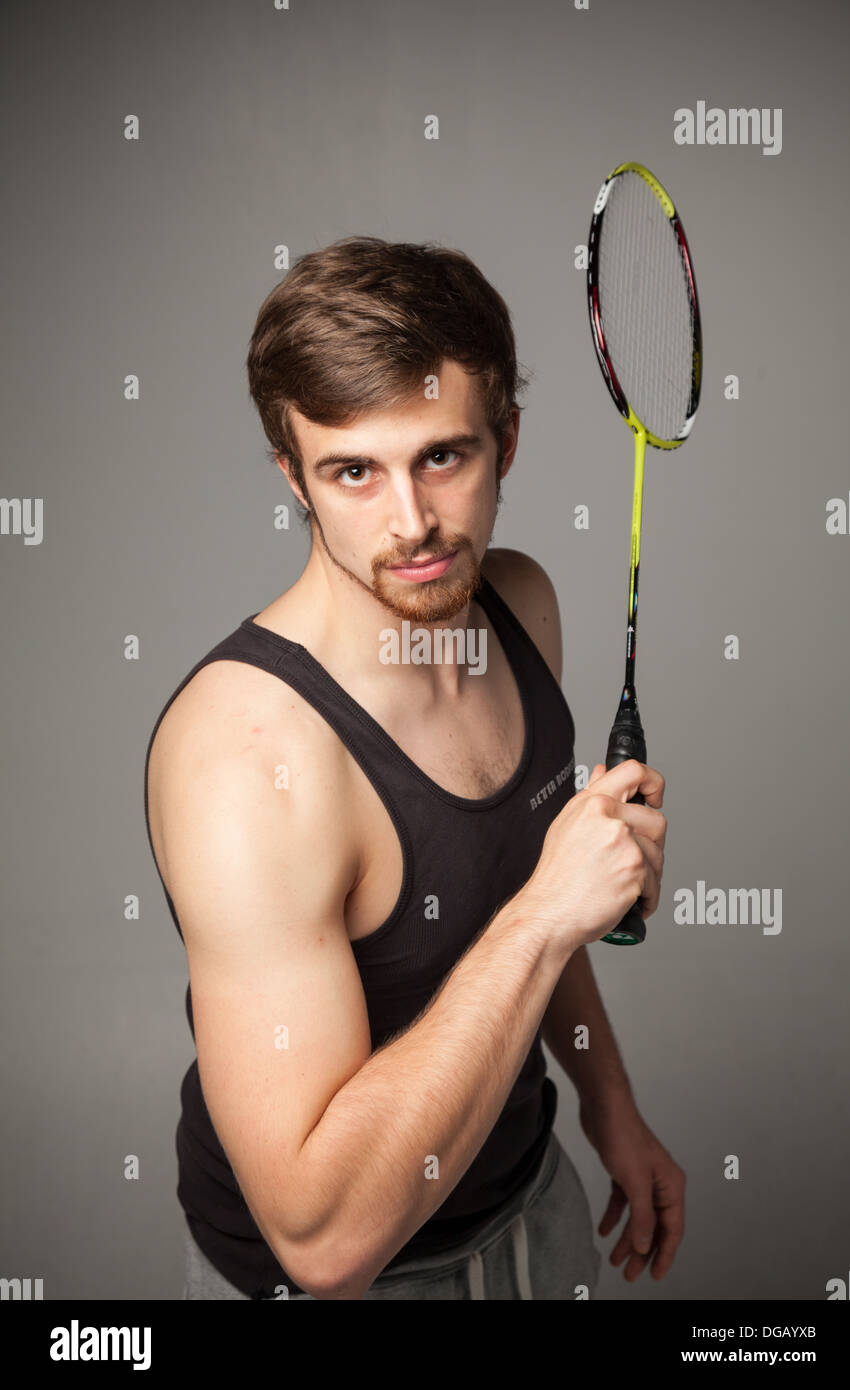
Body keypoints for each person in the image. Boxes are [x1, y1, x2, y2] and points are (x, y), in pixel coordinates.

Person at [144, 235, 684, 1300]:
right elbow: (326, 1241)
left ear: (507, 440)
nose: (413, 525)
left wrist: (605, 1102)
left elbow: (520, 901)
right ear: (292, 474)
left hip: (531, 1202)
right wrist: (547, 911)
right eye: (353, 471)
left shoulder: (519, 607)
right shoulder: (247, 761)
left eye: (442, 456)